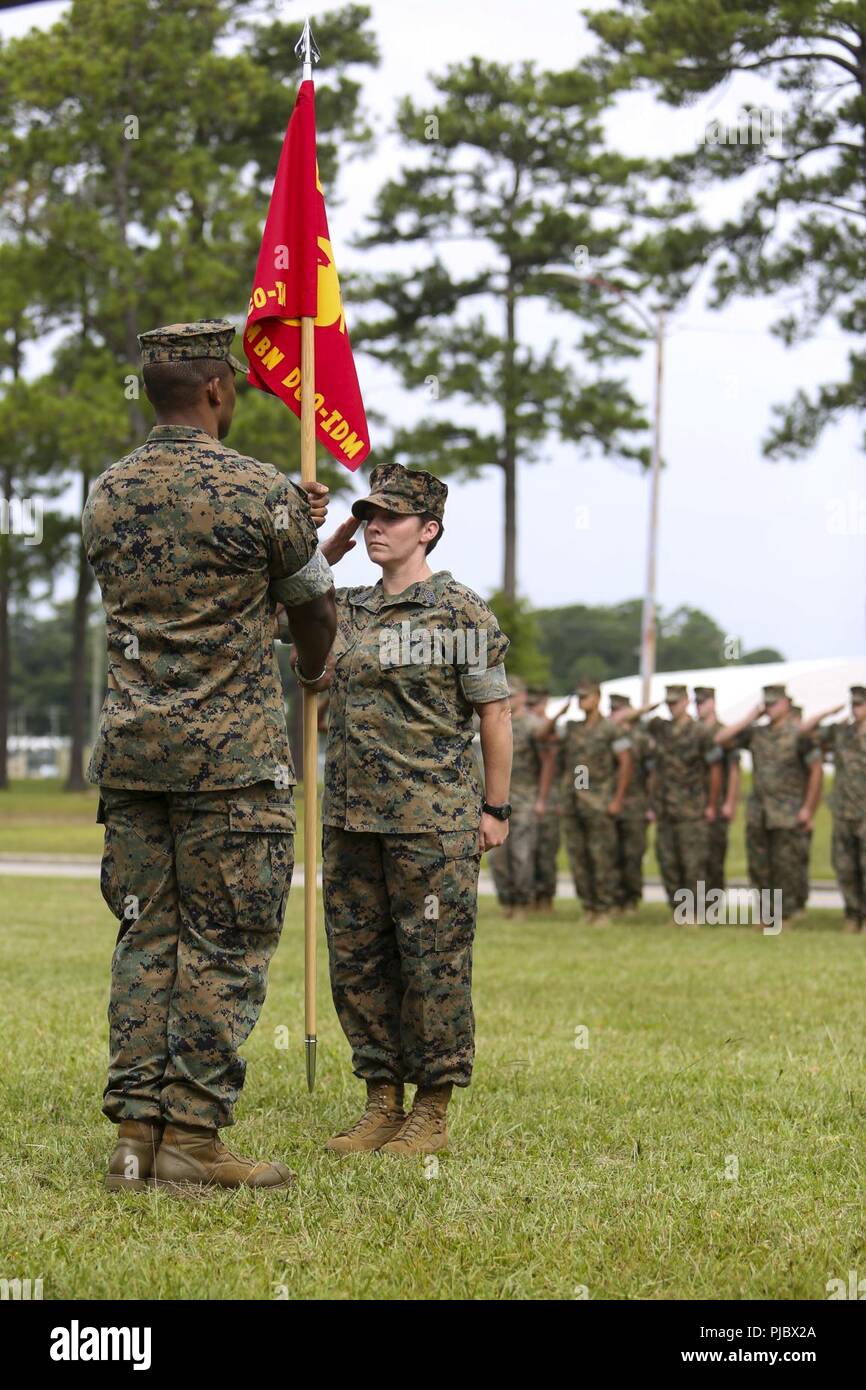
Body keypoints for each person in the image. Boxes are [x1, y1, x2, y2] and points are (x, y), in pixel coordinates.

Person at [84, 319, 337, 1193]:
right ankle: (191, 1140)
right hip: (231, 763)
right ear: (219, 389)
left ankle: (132, 1136)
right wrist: (313, 668)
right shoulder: (259, 490)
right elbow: (311, 612)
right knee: (224, 944)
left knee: (145, 935)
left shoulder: (107, 492)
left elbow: (165, 604)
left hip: (131, 757)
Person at [309, 464, 512, 1156]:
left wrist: (496, 807)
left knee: (434, 963)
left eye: (389, 518)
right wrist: (327, 547)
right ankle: (380, 1101)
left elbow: (495, 716)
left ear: (428, 530)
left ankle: (432, 1110)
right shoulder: (352, 610)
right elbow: (277, 614)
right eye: (367, 516)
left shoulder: (460, 613)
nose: (375, 527)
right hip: (351, 818)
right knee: (360, 962)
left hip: (432, 820)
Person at [715, 685, 823, 927]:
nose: (770, 709)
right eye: (767, 704)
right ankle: (766, 914)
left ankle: (784, 915)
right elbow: (721, 739)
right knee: (759, 866)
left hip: (788, 810)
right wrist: (749, 718)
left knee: (785, 866)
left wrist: (808, 807)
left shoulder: (799, 735)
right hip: (759, 811)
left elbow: (816, 771)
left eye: (774, 704)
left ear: (786, 704)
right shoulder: (756, 734)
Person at [538, 680, 633, 924]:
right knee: (578, 857)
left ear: (598, 698)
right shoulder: (571, 727)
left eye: (586, 697)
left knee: (601, 856)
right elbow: (542, 734)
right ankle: (588, 906)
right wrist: (560, 711)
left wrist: (617, 799)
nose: (582, 702)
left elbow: (625, 763)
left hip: (599, 800)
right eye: (579, 698)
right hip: (572, 801)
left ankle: (604, 908)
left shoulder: (611, 729)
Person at [642, 685, 722, 920]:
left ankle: (695, 912)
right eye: (668, 703)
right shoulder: (661, 729)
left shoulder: (700, 732)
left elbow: (714, 769)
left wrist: (711, 804)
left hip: (691, 807)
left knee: (692, 862)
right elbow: (628, 722)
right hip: (665, 806)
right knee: (667, 860)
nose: (672, 707)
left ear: (686, 702)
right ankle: (678, 910)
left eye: (675, 702)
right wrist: (651, 706)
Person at [488, 677, 544, 920]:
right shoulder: (492, 723)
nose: (509, 699)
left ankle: (522, 903)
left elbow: (547, 763)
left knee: (521, 855)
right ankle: (507, 901)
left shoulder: (533, 725)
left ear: (523, 696)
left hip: (524, 798)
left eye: (514, 694)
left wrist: (542, 797)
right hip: (497, 800)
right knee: (498, 858)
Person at [811, 686, 866, 932]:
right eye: (853, 704)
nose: (856, 709)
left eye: (860, 704)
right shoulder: (841, 732)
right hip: (844, 811)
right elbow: (804, 731)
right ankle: (852, 915)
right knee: (845, 866)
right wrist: (829, 712)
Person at [693, 686, 740, 896]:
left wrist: (730, 802)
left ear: (712, 703)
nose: (699, 707)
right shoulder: (693, 731)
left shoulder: (724, 732)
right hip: (693, 802)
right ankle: (695, 902)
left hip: (718, 803)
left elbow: (734, 769)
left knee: (714, 855)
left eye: (702, 702)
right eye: (696, 702)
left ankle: (713, 901)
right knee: (694, 857)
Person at [608, 693, 651, 913]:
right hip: (609, 801)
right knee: (611, 853)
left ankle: (631, 898)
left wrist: (651, 805)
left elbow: (651, 771)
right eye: (613, 709)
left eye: (620, 709)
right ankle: (615, 898)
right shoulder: (608, 734)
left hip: (635, 803)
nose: (616, 714)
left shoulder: (641, 737)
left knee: (633, 853)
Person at [527, 686, 561, 912]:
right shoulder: (529, 730)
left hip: (550, 798)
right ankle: (531, 895)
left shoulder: (550, 731)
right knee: (530, 850)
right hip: (529, 797)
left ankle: (546, 897)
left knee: (546, 850)